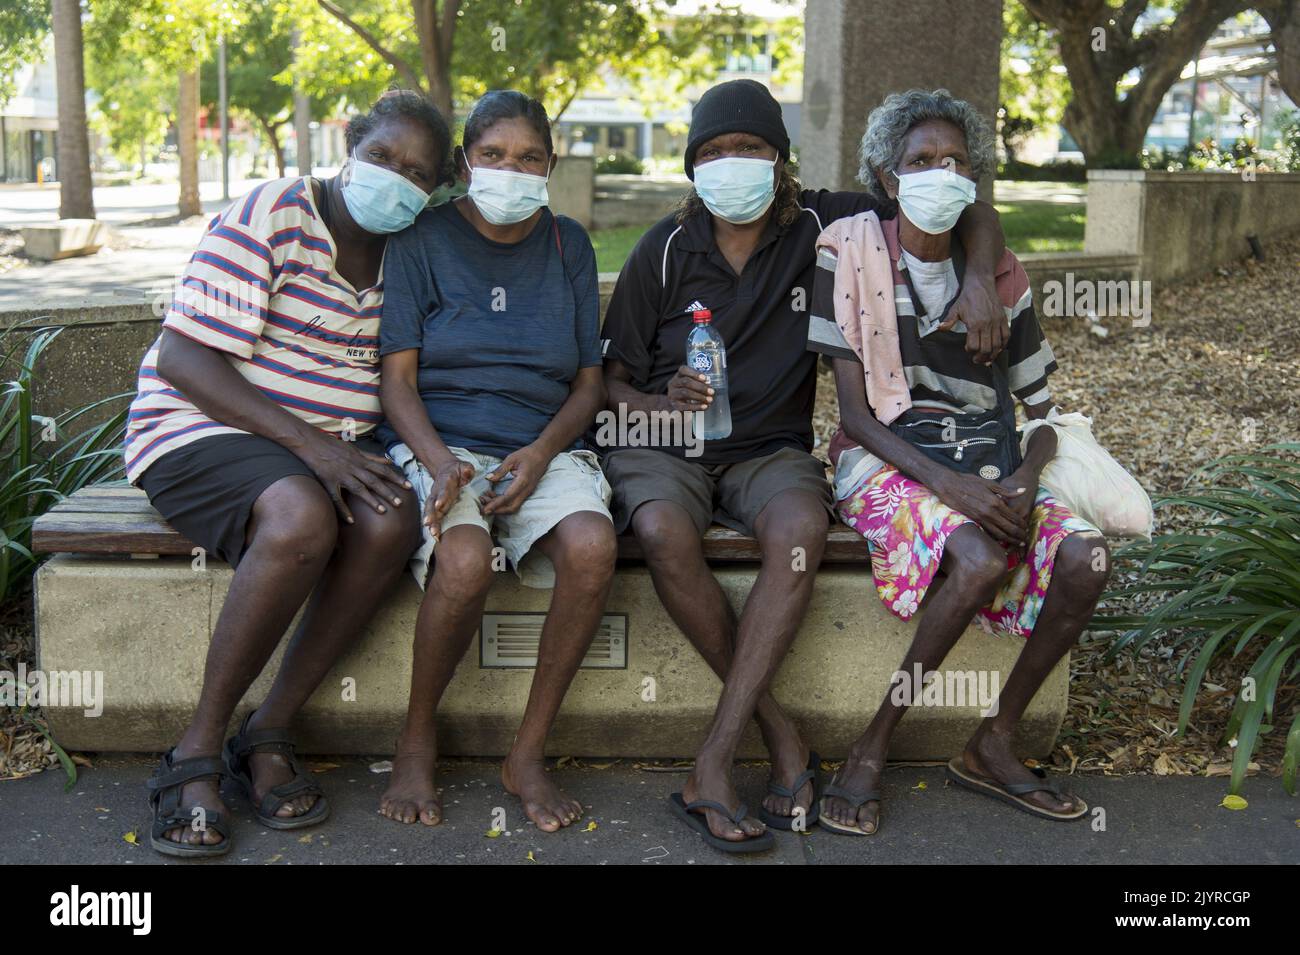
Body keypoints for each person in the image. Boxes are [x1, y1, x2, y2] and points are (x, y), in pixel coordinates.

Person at [599, 79, 1011, 851]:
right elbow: (608, 381)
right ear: (691, 166)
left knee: (799, 527)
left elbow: (959, 200)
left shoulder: (823, 221)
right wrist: (659, 402)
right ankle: (780, 738)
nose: (732, 164)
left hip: (768, 450)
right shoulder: (662, 248)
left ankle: (713, 761)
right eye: (714, 153)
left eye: (750, 149)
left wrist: (983, 275)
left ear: (780, 161)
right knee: (659, 528)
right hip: (667, 447)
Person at [124, 90, 452, 857]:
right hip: (200, 429)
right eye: (382, 158)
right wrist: (317, 446)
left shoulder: (412, 250)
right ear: (349, 143)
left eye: (417, 173)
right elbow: (182, 355)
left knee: (393, 517)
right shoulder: (275, 211)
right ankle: (195, 751)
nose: (394, 180)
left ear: (435, 189)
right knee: (303, 517)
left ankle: (268, 729)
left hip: (314, 453)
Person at [809, 89, 1109, 836]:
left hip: (989, 466)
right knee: (975, 558)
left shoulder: (1001, 277)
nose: (939, 173)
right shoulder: (847, 251)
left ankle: (993, 741)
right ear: (888, 177)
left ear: (974, 180)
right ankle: (873, 743)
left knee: (1089, 560)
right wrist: (950, 487)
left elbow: (1043, 416)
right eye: (920, 162)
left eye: (955, 162)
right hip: (885, 461)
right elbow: (852, 417)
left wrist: (1022, 480)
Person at [375, 91, 616, 833]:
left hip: (541, 443)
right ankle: (418, 735)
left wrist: (544, 454)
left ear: (551, 166)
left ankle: (528, 753)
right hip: (440, 444)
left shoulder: (567, 244)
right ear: (463, 163)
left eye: (530, 158)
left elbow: (588, 383)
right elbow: (397, 380)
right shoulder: (421, 240)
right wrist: (442, 462)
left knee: (592, 544)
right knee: (467, 557)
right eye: (493, 155)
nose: (512, 170)